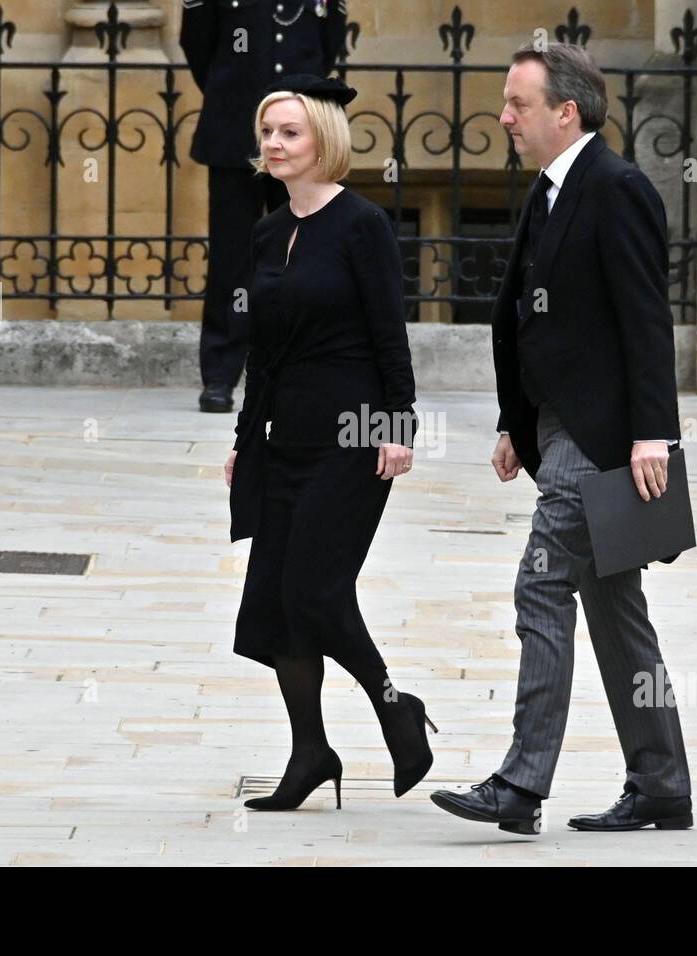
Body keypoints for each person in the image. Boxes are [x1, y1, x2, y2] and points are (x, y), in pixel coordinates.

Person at [429, 42, 693, 835]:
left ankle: (520, 783)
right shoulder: (552, 190)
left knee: (541, 584)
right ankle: (662, 783)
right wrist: (519, 421)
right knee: (615, 607)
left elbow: (646, 321)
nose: (504, 117)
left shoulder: (616, 189)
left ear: (565, 111)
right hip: (558, 428)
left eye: (518, 103)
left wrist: (654, 434)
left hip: (602, 436)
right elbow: (538, 318)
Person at [223, 74, 436, 811]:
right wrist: (245, 439)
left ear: (324, 140)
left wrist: (399, 424)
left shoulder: (361, 226)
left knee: (314, 590)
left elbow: (388, 332)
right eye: (267, 133)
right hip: (284, 438)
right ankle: (310, 751)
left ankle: (392, 706)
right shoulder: (267, 229)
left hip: (353, 436)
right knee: (280, 602)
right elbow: (264, 353)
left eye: (289, 132)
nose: (273, 144)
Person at [179, 0, 348, 413]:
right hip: (235, 129)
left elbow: (326, 48)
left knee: (301, 254)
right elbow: (197, 44)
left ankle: (291, 367)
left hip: (300, 137)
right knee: (231, 257)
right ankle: (220, 374)